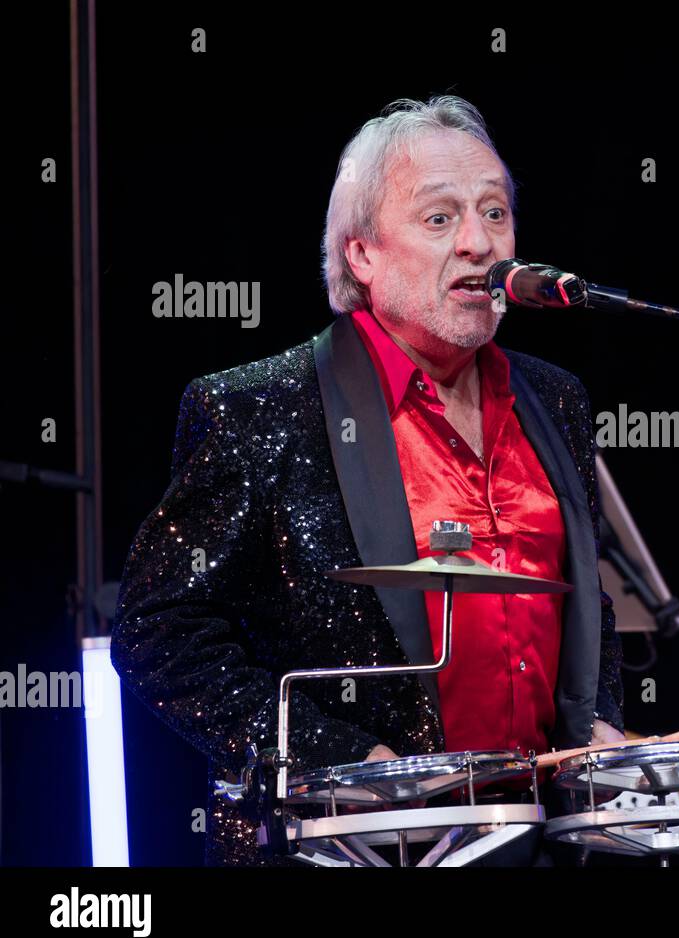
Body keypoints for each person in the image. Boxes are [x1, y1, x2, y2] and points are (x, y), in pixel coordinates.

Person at [111, 95, 625, 866]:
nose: (481, 244)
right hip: (353, 847)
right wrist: (345, 761)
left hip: (543, 840)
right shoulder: (253, 408)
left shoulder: (557, 400)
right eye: (439, 218)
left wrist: (600, 725)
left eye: (495, 211)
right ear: (362, 255)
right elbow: (160, 633)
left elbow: (588, 608)